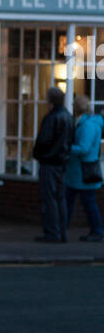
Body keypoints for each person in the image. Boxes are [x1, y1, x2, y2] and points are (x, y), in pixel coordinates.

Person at [32, 86, 74, 242]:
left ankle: (52, 233)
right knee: (60, 198)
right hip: (62, 162)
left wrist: (37, 154)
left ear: (50, 100)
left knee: (49, 198)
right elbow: (70, 141)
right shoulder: (69, 117)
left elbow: (43, 140)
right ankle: (62, 232)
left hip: (49, 162)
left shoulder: (51, 118)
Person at [64, 94, 104, 242]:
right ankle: (62, 228)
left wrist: (66, 148)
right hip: (79, 172)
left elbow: (83, 148)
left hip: (83, 172)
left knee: (88, 203)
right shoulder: (88, 122)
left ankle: (97, 231)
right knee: (72, 201)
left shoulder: (87, 125)